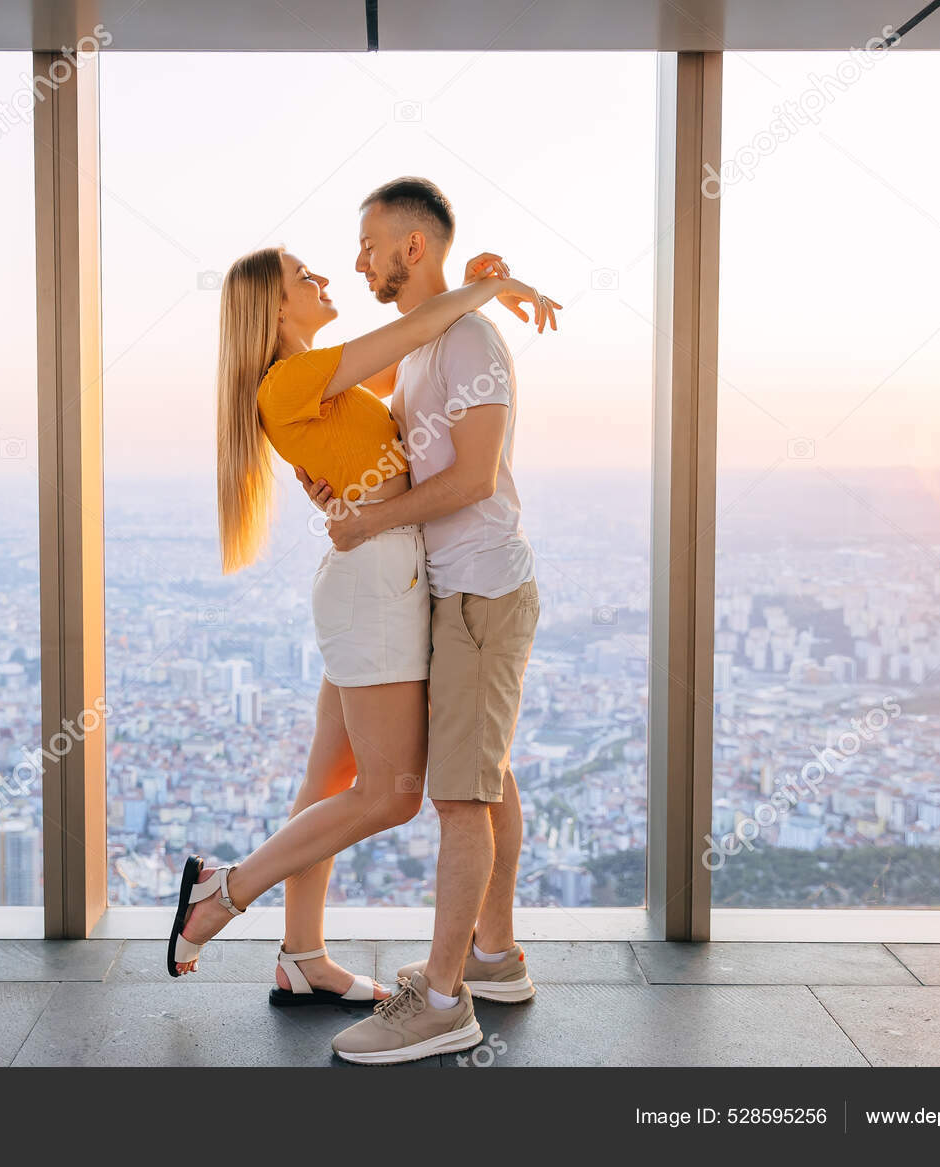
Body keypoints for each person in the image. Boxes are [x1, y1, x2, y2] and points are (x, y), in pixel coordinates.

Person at [167, 235, 557, 1016]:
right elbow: (413, 334)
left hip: (375, 578)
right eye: (302, 278)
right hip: (376, 584)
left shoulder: (316, 379)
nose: (322, 278)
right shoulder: (296, 377)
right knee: (390, 794)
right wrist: (495, 285)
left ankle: (303, 957)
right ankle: (223, 892)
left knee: (331, 779)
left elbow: (419, 352)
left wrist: (472, 286)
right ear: (274, 310)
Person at [304, 178, 545, 1063]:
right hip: (456, 589)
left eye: (368, 243)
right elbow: (413, 463)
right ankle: (492, 958)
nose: (357, 259)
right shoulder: (422, 348)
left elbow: (476, 477)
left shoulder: (470, 338)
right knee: (488, 775)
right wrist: (346, 486)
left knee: (459, 797)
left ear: (413, 247)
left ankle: (443, 1002)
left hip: (481, 590)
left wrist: (371, 520)